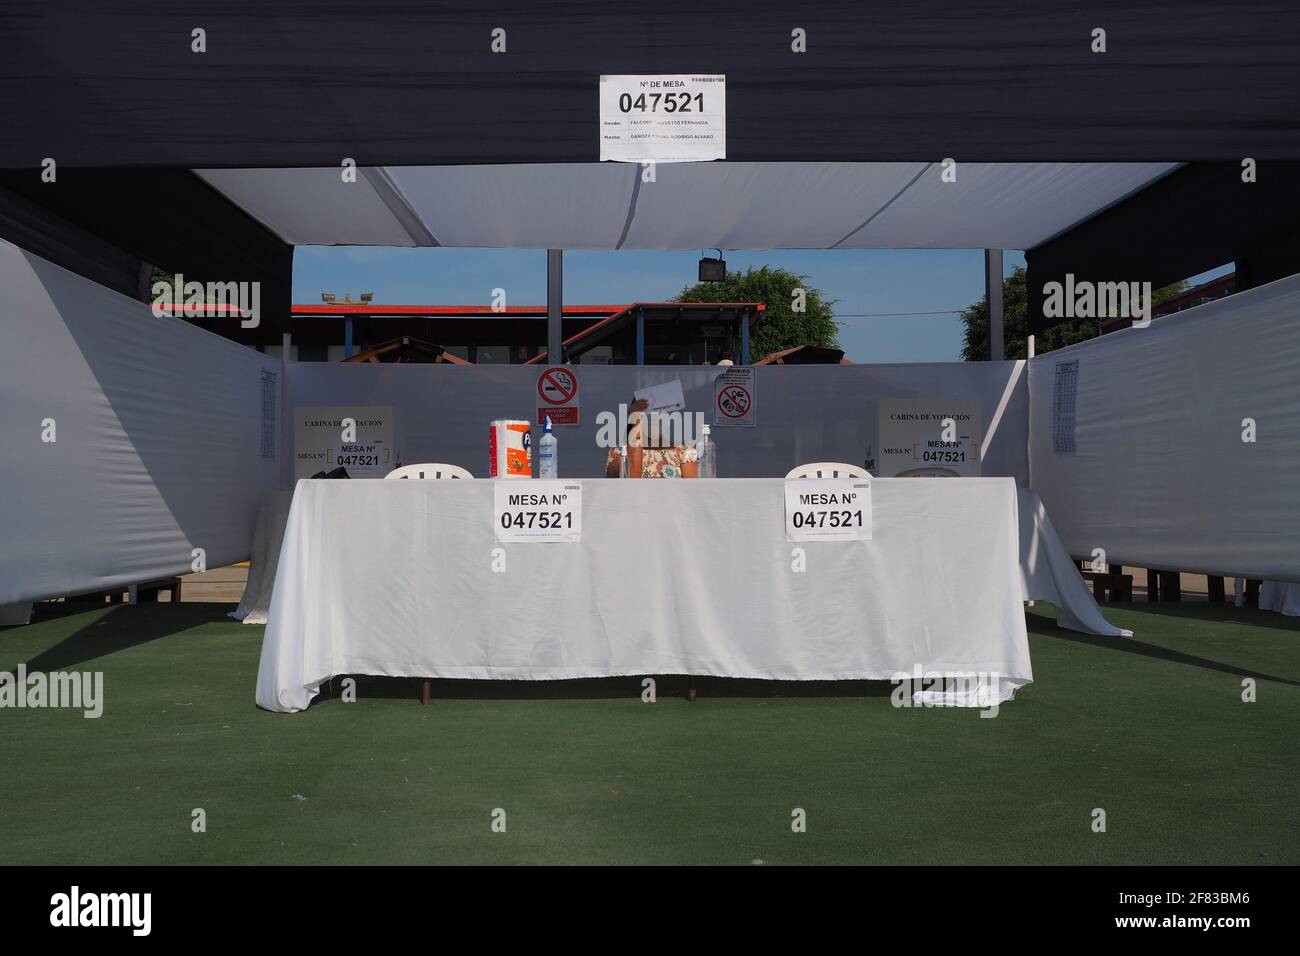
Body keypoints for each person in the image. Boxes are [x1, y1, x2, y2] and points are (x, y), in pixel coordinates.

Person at [605, 398, 699, 478]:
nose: (655, 418)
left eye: (660, 413)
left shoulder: (685, 453)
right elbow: (628, 482)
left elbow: (690, 493)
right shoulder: (619, 453)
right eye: (648, 413)